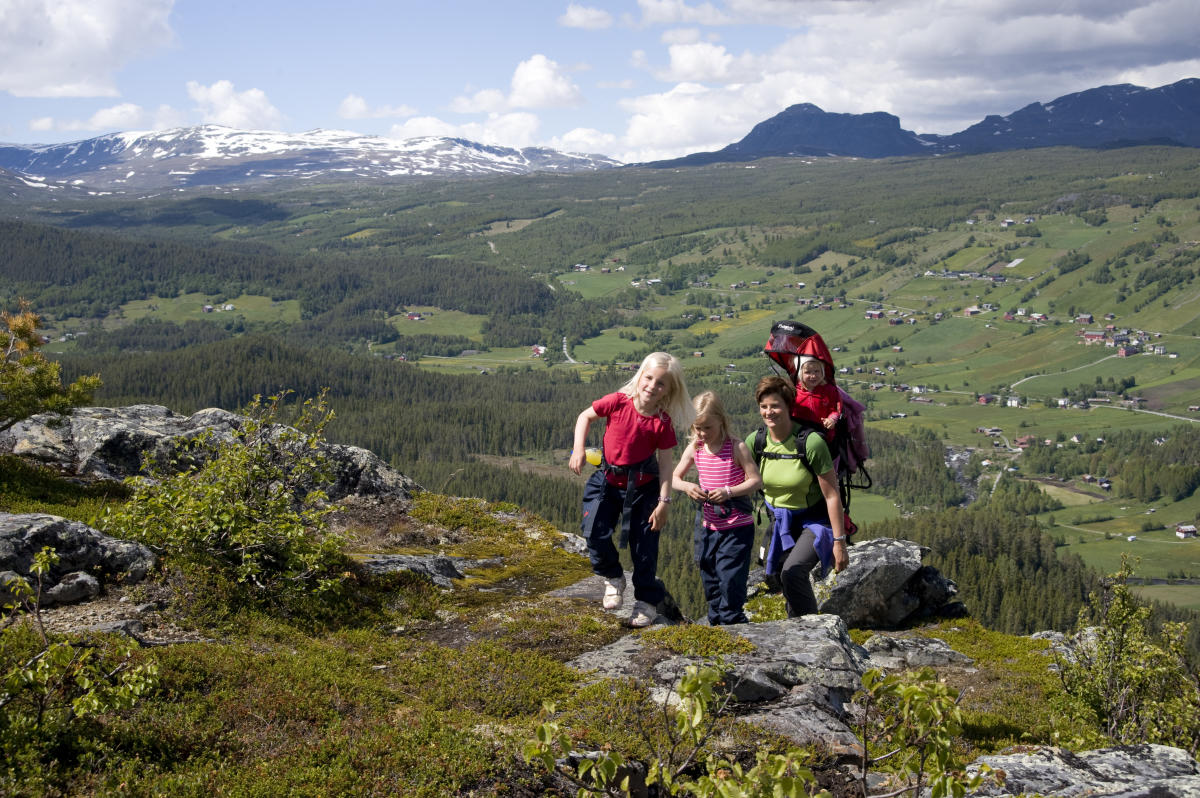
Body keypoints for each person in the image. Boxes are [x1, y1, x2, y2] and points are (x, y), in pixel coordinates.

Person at [570, 352, 693, 627]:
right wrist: (579, 449)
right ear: (640, 376)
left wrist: (663, 502)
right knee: (594, 531)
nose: (652, 386)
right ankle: (613, 577)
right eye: (648, 378)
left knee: (644, 546)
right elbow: (585, 416)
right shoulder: (618, 401)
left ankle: (647, 601)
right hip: (607, 481)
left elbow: (666, 465)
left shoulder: (662, 423)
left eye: (661, 383)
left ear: (669, 390)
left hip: (643, 490)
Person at [751, 375, 849, 617]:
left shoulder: (811, 443)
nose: (768, 412)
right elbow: (736, 476)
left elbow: (832, 495)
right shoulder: (757, 441)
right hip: (779, 521)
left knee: (793, 572)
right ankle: (796, 628)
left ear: (789, 406)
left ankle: (813, 632)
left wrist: (839, 543)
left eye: (775, 406)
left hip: (814, 521)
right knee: (779, 576)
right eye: (763, 406)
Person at [672, 392, 762, 625]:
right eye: (697, 428)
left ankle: (732, 621)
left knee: (730, 577)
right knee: (709, 574)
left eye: (707, 428)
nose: (702, 433)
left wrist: (728, 492)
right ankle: (715, 621)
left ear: (721, 420)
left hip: (737, 526)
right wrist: (688, 487)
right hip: (708, 525)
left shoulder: (736, 447)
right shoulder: (696, 447)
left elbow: (755, 480)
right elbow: (674, 478)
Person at [793, 354, 842, 442]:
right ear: (800, 374)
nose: (813, 376)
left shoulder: (829, 390)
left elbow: (835, 410)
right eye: (808, 372)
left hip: (823, 434)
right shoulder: (795, 392)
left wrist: (832, 419)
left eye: (817, 371)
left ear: (822, 372)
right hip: (800, 434)